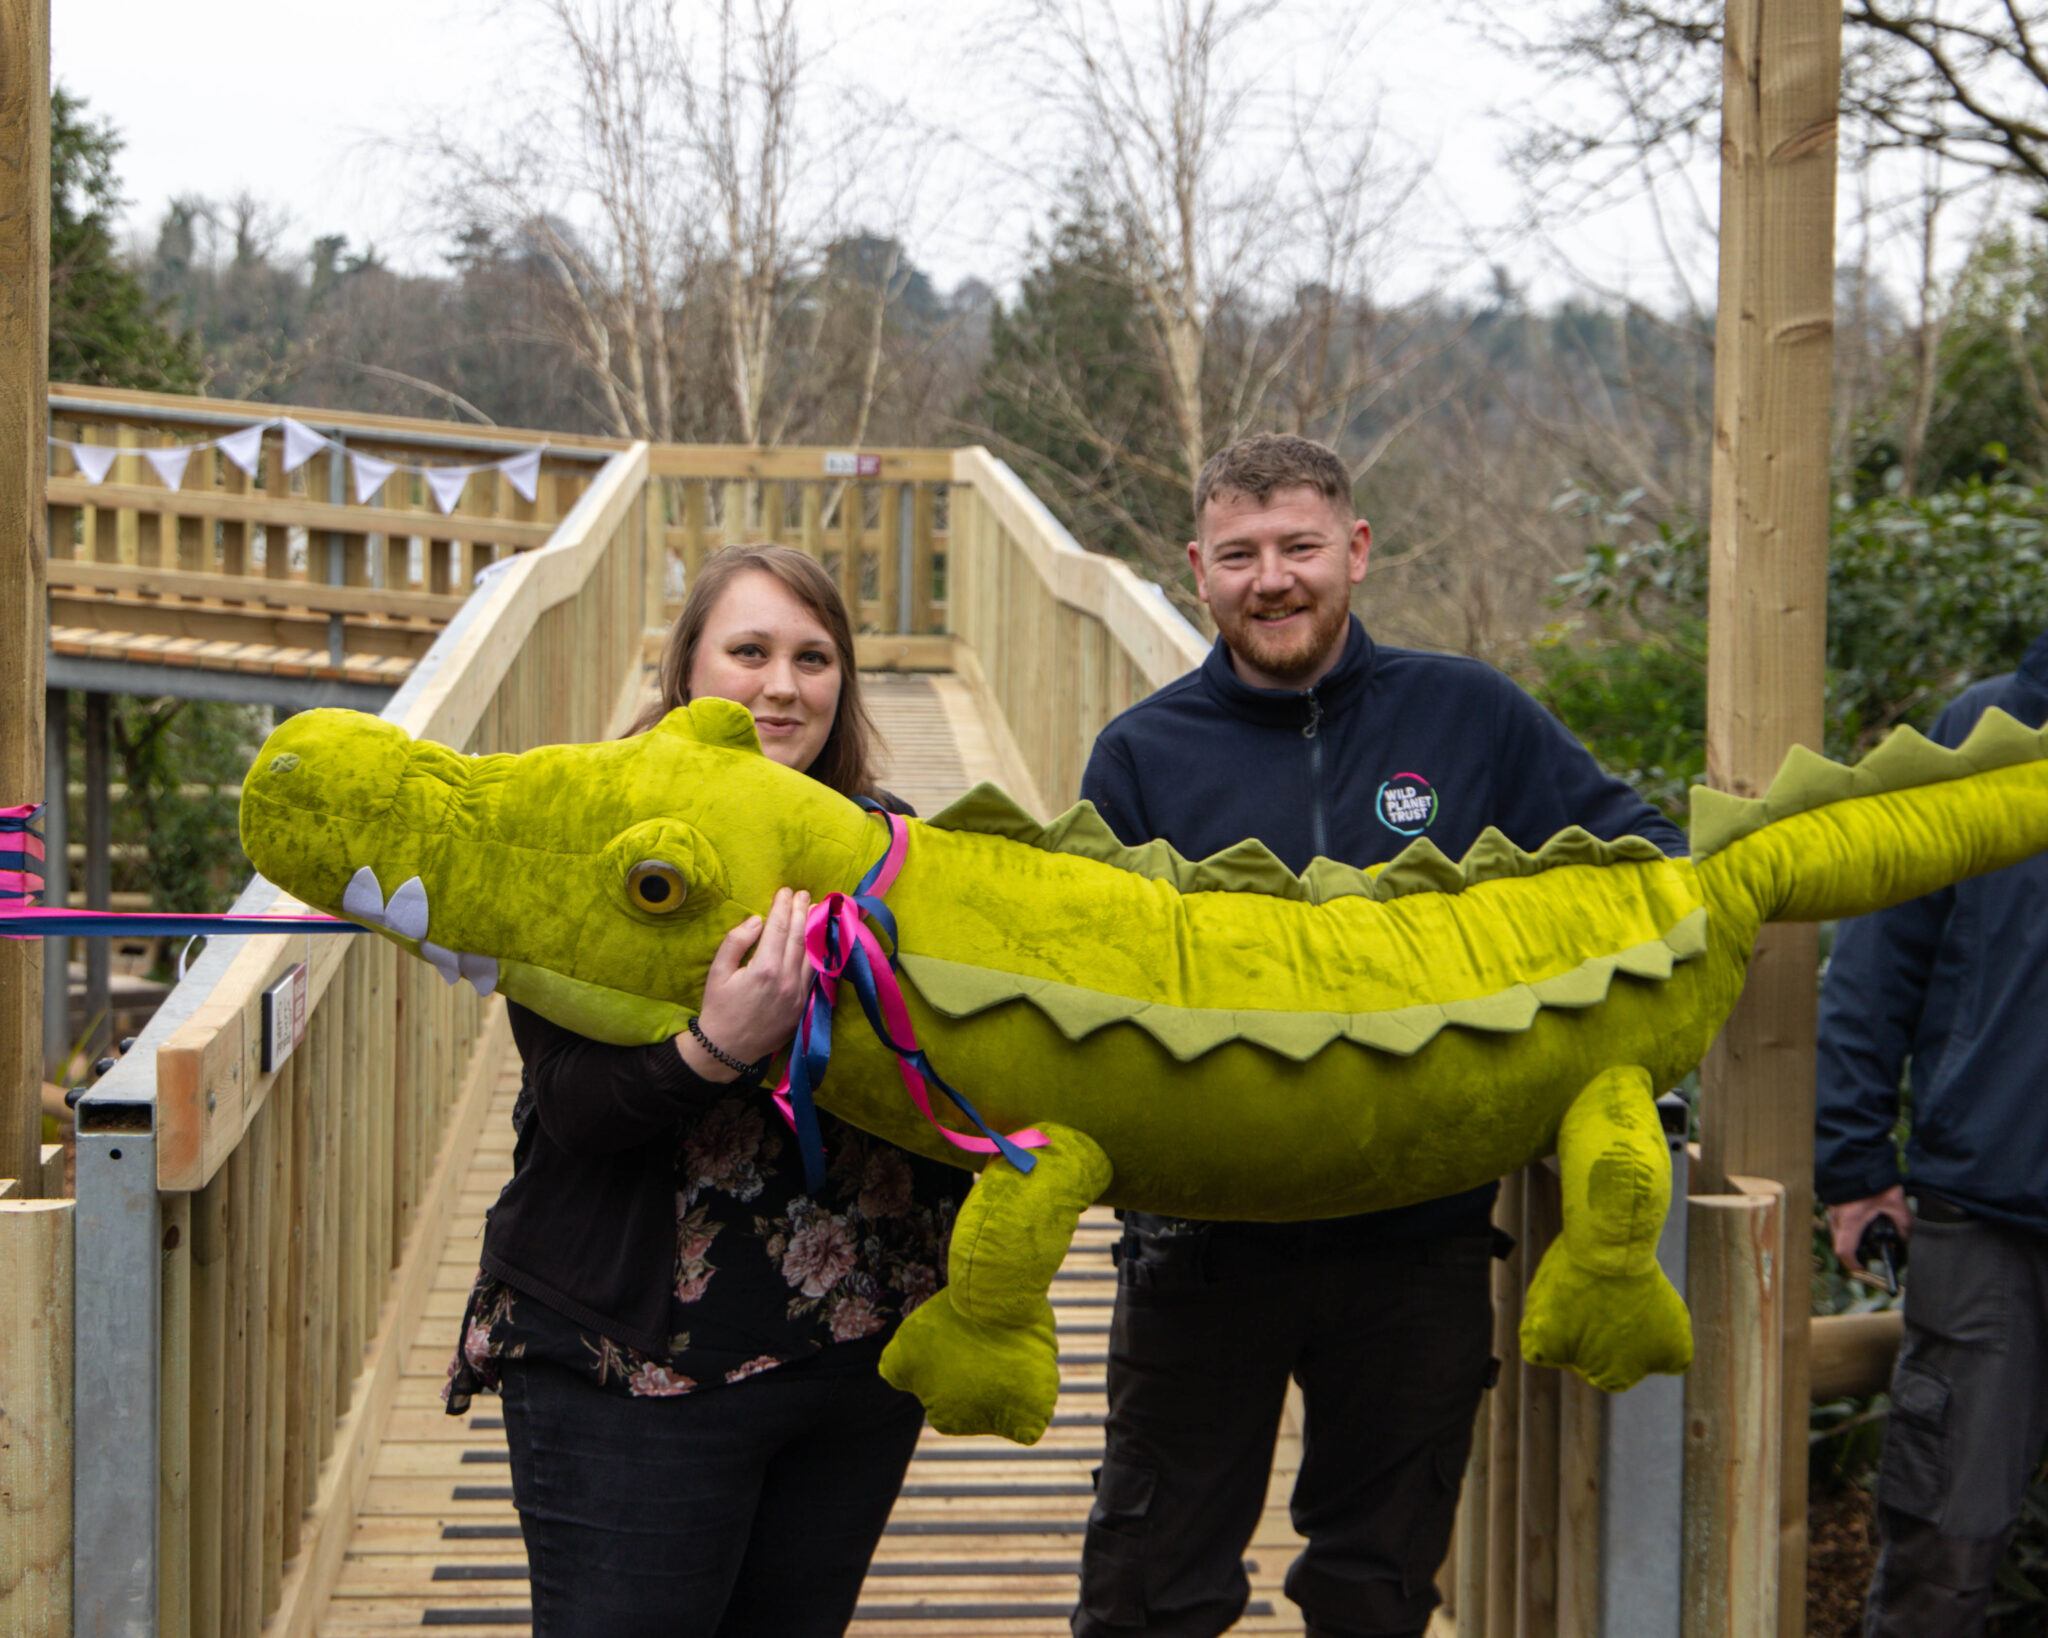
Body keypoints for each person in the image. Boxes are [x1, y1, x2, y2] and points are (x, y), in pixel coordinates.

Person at [1072, 434, 1686, 1638]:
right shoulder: (1140, 754)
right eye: (1240, 555)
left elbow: (1640, 858)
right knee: (1150, 1587)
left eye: (1298, 546)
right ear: (1197, 572)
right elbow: (1081, 969)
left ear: (1352, 550)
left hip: (1416, 1240)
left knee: (1376, 1588)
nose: (1272, 579)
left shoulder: (1469, 715)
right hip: (1202, 1241)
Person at [445, 544, 967, 1638]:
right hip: (634, 1362)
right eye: (750, 651)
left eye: (813, 657)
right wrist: (714, 1047)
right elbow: (575, 1110)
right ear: (687, 671)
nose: (783, 684)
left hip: (851, 1349)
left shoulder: (888, 842)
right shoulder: (599, 833)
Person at [1815, 622, 2048, 1638]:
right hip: (1986, 1215)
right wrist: (1854, 1164)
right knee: (1938, 1555)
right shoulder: (1982, 732)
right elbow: (1877, 958)